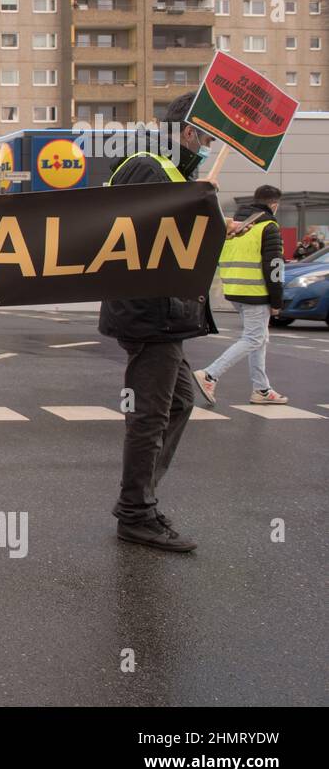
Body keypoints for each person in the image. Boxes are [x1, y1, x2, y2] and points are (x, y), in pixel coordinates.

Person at [98, 93, 234, 553]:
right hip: (148, 313)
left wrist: (211, 217)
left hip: (163, 312)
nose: (210, 146)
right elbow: (135, 230)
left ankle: (140, 502)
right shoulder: (148, 165)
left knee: (177, 403)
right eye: (207, 136)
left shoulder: (170, 169)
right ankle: (136, 513)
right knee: (149, 414)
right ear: (188, 130)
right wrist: (204, 214)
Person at [195, 185, 288, 407]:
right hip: (256, 291)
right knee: (254, 338)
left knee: (259, 339)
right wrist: (277, 301)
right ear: (274, 205)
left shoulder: (235, 223)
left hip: (234, 290)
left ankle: (261, 389)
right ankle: (210, 374)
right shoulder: (269, 226)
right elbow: (274, 266)